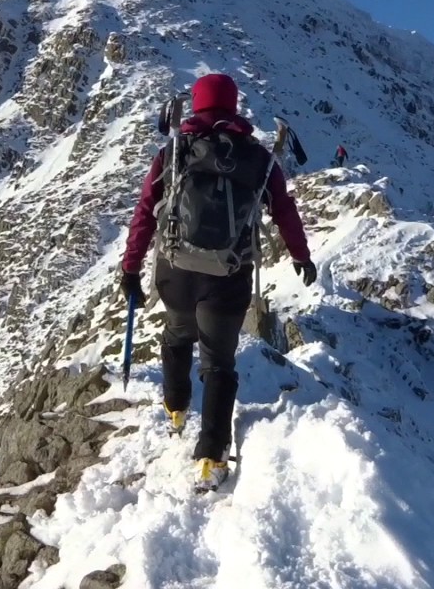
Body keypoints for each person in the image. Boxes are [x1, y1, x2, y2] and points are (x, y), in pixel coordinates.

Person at [119, 73, 316, 489]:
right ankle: (211, 455)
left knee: (176, 335)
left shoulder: (174, 152)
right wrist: (301, 256)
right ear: (233, 106)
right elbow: (284, 210)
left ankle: (176, 406)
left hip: (175, 271)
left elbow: (144, 212)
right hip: (228, 274)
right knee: (219, 364)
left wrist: (130, 268)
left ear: (195, 104)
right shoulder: (257, 158)